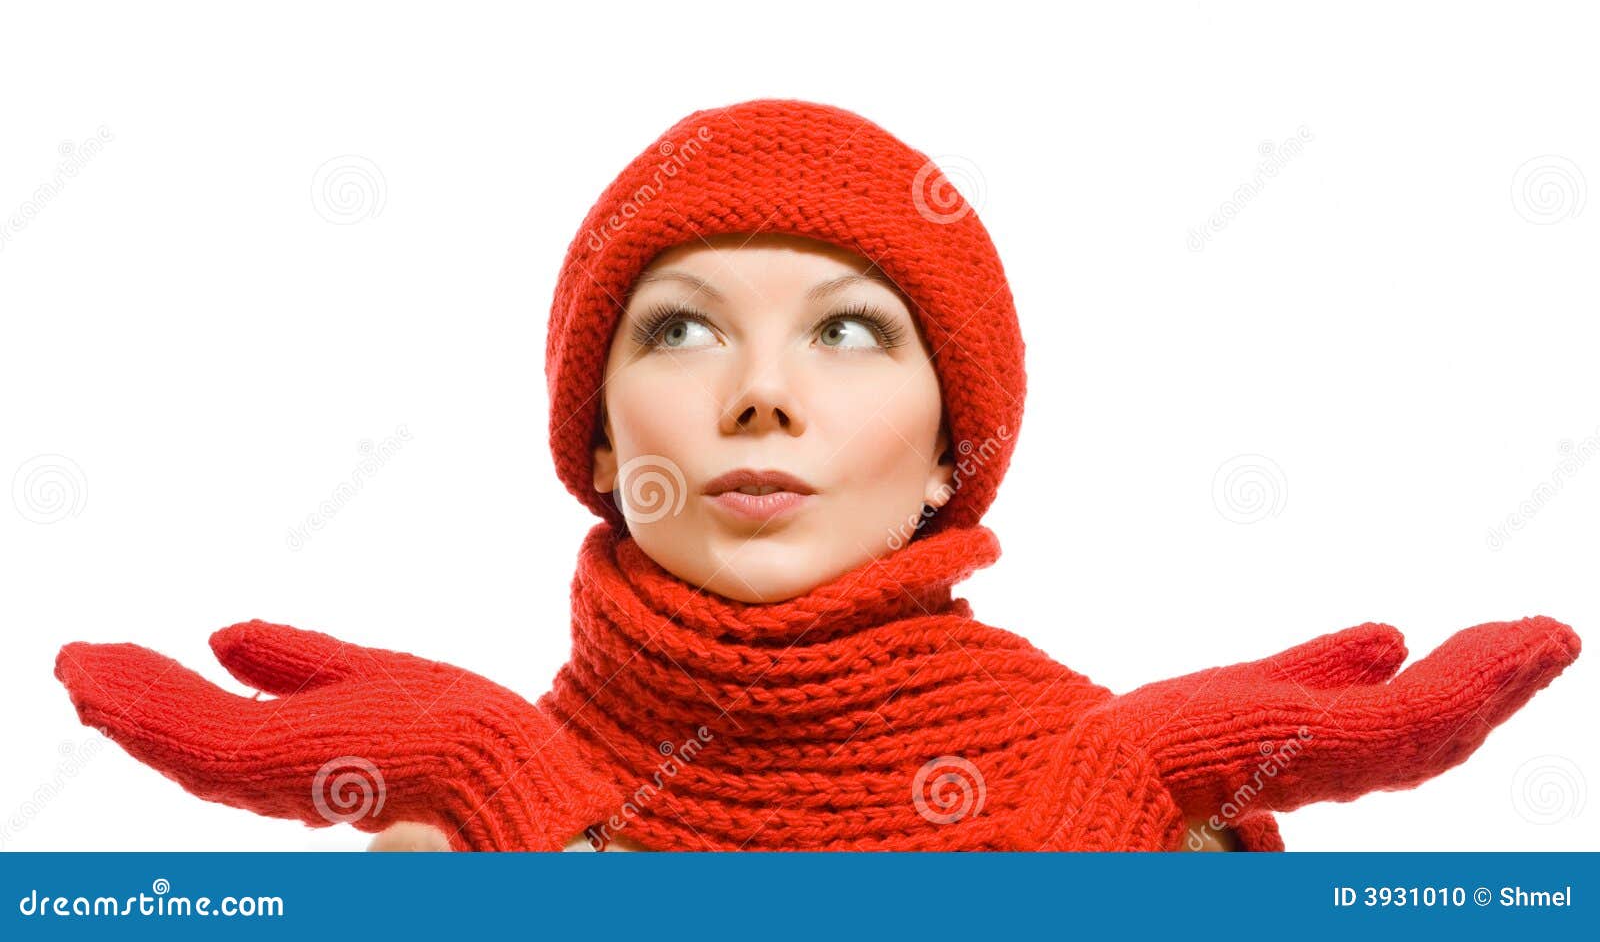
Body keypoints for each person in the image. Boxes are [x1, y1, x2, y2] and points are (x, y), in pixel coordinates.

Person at [56, 99, 1581, 852]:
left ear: (947, 450)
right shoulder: (464, 816)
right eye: (680, 329)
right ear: (597, 436)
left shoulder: (1129, 790)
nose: (764, 393)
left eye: (851, 331)